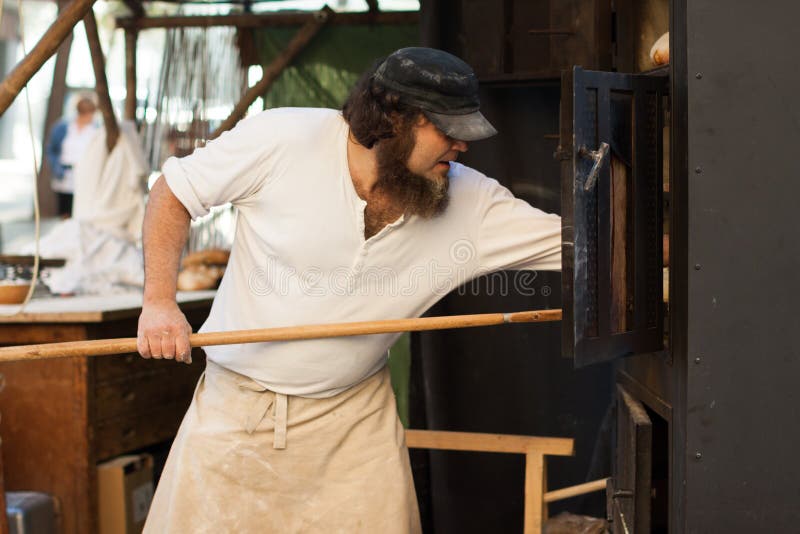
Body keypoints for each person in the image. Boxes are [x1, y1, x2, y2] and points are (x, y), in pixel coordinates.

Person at [137, 47, 561, 532]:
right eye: (448, 131)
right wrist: (159, 302)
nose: (462, 146)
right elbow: (172, 194)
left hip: (354, 427)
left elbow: (579, 244)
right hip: (236, 413)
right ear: (394, 119)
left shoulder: (472, 203)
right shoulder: (283, 139)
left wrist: (661, 251)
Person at [45, 96, 98, 217]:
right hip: (64, 175)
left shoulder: (95, 131)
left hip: (84, 176)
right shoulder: (64, 127)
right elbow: (52, 149)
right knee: (65, 211)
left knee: (81, 211)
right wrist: (56, 167)